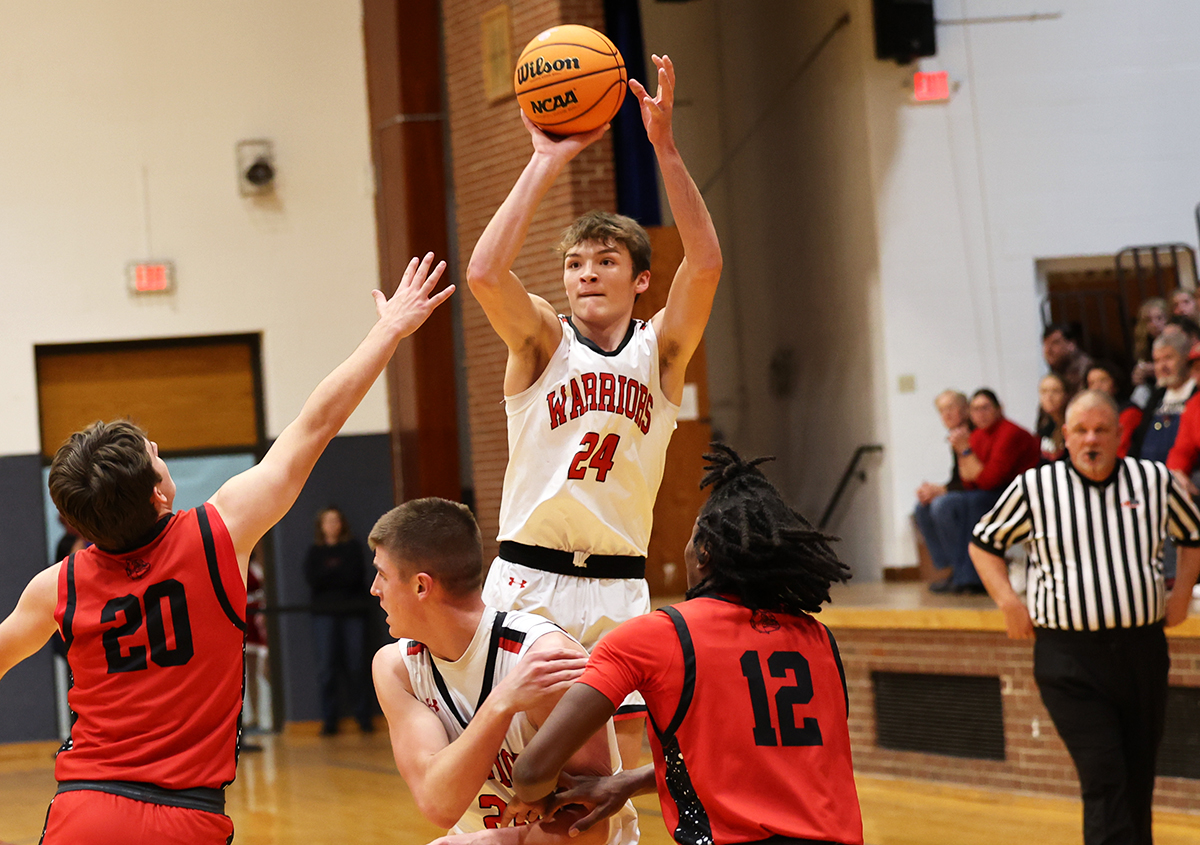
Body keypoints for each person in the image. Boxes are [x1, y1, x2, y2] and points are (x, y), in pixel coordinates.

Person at [0, 253, 453, 844]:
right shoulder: (219, 535)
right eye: (157, 454)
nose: (159, 451)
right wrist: (388, 330)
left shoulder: (54, 587)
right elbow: (315, 425)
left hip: (83, 810)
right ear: (162, 493)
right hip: (186, 815)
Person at [466, 54, 722, 768]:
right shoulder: (543, 339)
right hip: (530, 577)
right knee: (532, 759)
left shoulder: (660, 352)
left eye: (604, 260)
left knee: (631, 750)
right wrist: (544, 159)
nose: (586, 273)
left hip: (619, 579)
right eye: (576, 262)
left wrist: (665, 148)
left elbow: (704, 265)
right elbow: (485, 273)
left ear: (640, 279)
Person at [509, 443, 863, 845]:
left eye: (691, 536)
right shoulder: (818, 639)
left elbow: (531, 775)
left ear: (705, 551)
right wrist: (631, 780)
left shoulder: (652, 637)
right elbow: (758, 756)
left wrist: (533, 795)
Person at [969, 390, 1200, 845]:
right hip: (1069, 659)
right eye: (1080, 431)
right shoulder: (1035, 488)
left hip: (1142, 651)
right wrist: (1009, 602)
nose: (1091, 439)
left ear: (1120, 436)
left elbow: (1192, 536)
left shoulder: (1155, 481)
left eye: (1101, 430)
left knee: (1137, 780)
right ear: (1066, 436)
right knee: (1105, 778)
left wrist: (1183, 594)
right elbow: (983, 544)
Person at [368, 497, 638, 845]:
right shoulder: (396, 669)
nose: (375, 589)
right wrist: (501, 704)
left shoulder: (546, 660)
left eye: (382, 574)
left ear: (421, 585)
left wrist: (493, 841)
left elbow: (589, 823)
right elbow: (439, 805)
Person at [932, 389, 1040, 594]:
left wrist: (964, 451)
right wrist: (964, 452)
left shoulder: (1010, 432)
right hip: (993, 491)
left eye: (985, 408)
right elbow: (968, 481)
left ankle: (972, 577)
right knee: (950, 503)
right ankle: (958, 572)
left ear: (999, 409)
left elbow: (989, 480)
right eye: (975, 409)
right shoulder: (978, 435)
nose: (980, 414)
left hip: (1020, 494)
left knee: (969, 502)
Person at [305, 506, 373, 735]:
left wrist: (331, 576)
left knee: (357, 666)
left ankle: (364, 718)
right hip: (324, 614)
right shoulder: (315, 551)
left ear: (342, 523)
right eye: (328, 521)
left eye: (336, 521)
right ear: (321, 526)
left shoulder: (353, 548)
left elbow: (353, 576)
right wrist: (337, 575)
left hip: (353, 612)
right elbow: (314, 579)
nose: (332, 525)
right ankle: (329, 720)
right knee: (326, 669)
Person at [913, 390, 973, 585]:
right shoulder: (956, 436)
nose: (946, 415)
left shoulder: (974, 433)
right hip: (966, 489)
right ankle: (949, 568)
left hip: (982, 491)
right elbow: (958, 478)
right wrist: (936, 489)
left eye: (950, 408)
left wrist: (941, 490)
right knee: (921, 508)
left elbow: (972, 479)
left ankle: (963, 570)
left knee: (941, 506)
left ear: (965, 409)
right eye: (941, 410)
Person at [1127, 331, 1197, 462]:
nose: (1162, 367)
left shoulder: (1196, 394)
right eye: (1157, 360)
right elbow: (1137, 444)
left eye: (1168, 358)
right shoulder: (1156, 397)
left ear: (1185, 358)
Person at [1085, 362, 1141, 457]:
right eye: (1092, 383)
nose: (1097, 387)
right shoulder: (1088, 414)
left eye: (1102, 381)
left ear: (1115, 384)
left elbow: (1120, 450)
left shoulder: (1129, 412)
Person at [1042, 322, 1093, 400]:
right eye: (1045, 344)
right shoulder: (1057, 371)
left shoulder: (1086, 369)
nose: (1048, 350)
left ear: (1071, 344)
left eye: (1055, 343)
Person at [1035, 373, 1067, 462]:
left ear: (1065, 395)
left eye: (1055, 391)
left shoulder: (1072, 424)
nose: (1049, 397)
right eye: (1044, 391)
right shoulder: (1044, 424)